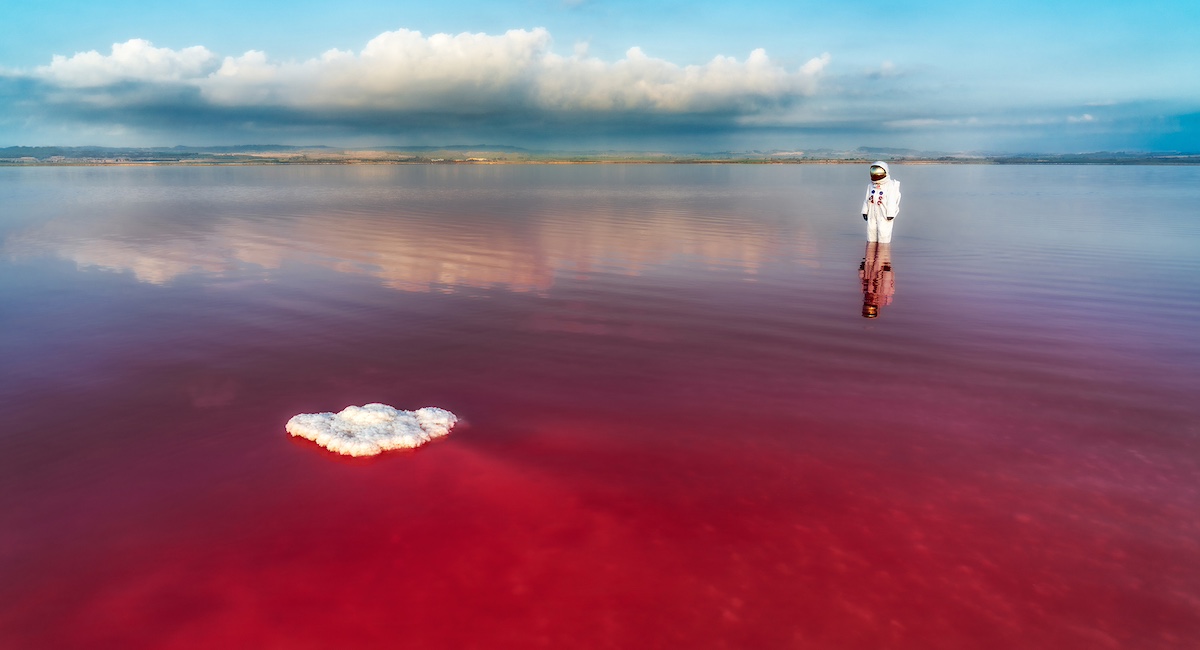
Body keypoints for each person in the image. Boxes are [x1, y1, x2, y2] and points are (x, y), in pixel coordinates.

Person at [861, 161, 901, 243]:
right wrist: (865, 211)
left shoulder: (890, 185)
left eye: (878, 172)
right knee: (871, 230)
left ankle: (883, 252)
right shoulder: (871, 185)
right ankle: (870, 251)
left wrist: (890, 214)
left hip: (884, 213)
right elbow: (867, 199)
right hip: (872, 212)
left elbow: (891, 201)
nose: (876, 174)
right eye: (873, 171)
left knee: (883, 232)